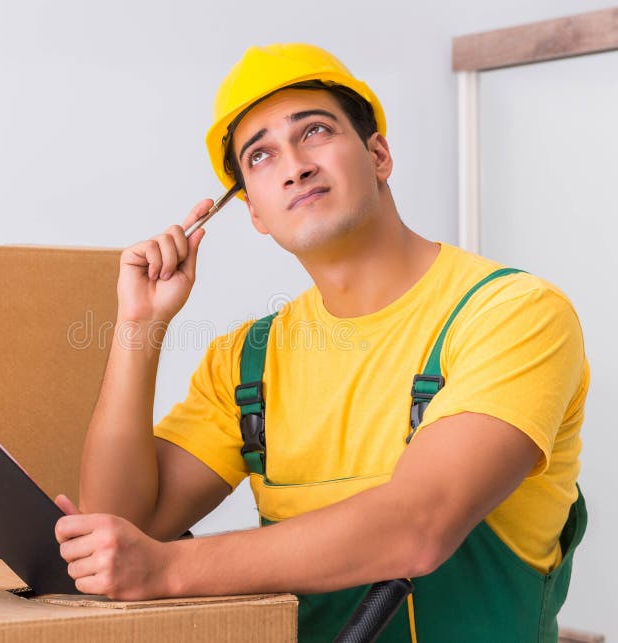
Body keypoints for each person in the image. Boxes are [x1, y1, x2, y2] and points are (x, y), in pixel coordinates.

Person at [53, 43, 588, 642]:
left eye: (314, 132)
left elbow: (418, 526)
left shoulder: (510, 315)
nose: (294, 166)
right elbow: (119, 534)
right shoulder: (246, 363)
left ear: (378, 153)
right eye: (260, 156)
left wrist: (167, 569)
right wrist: (138, 328)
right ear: (253, 211)